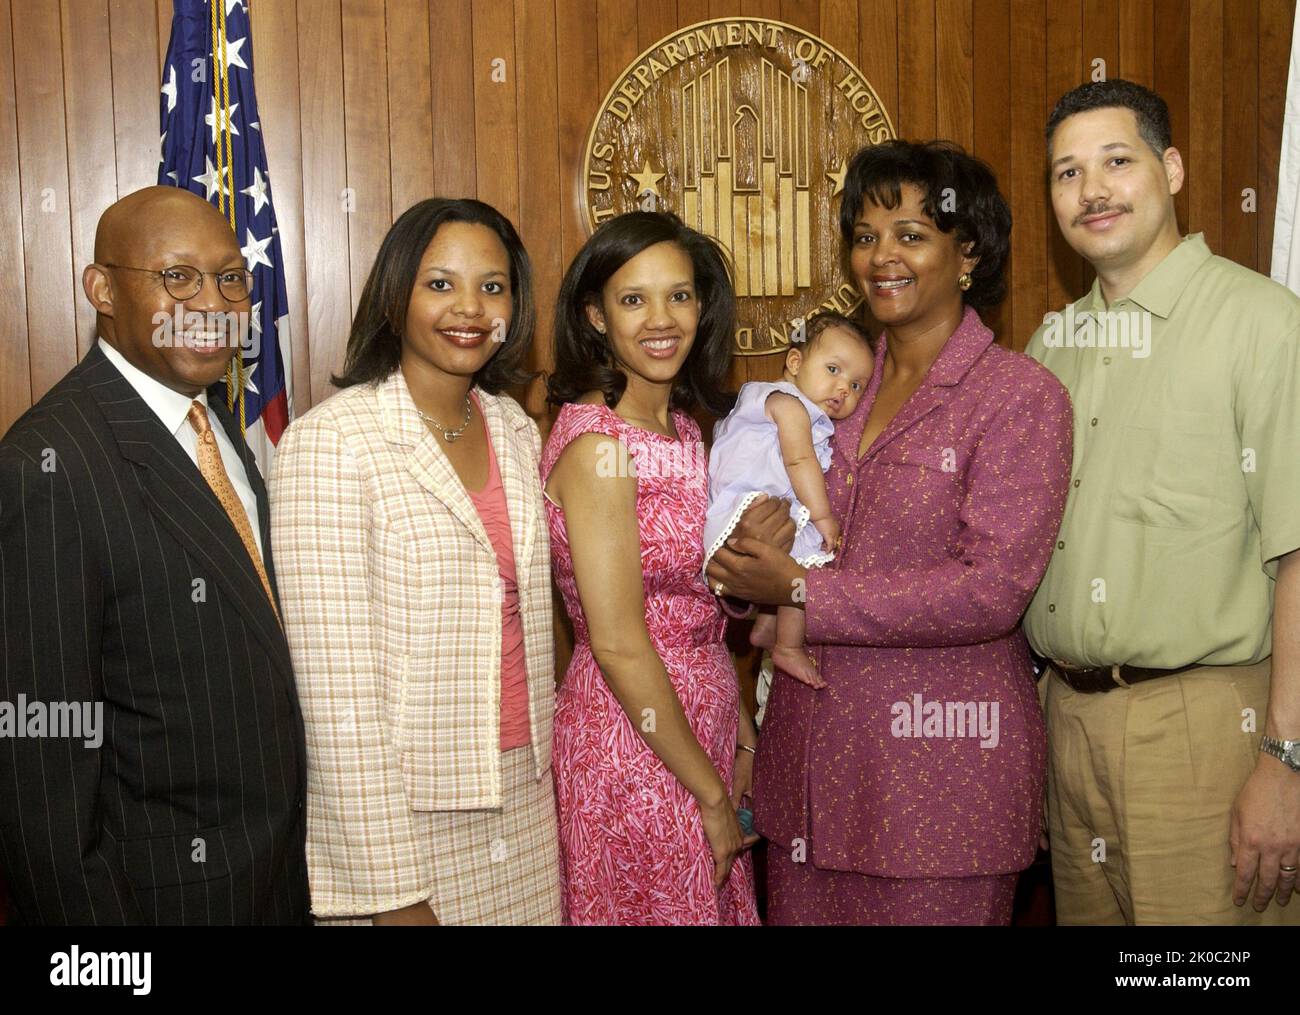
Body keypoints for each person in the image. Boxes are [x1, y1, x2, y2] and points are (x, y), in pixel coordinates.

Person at [707, 141, 1073, 925]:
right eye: (866, 235)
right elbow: (762, 522)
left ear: (967, 249)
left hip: (938, 789)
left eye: (911, 234)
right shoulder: (833, 386)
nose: (883, 257)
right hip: (808, 781)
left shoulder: (1017, 395)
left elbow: (991, 590)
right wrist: (746, 566)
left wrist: (801, 589)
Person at [1024, 79, 1300, 925]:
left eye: (1116, 161)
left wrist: (1286, 760)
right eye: (1067, 174)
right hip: (1065, 726)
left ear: (1171, 168)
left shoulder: (1262, 323)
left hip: (1206, 733)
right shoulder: (1049, 345)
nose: (1092, 190)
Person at [0, 186, 309, 924]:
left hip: (273, 879)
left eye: (231, 277)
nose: (213, 302)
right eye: (178, 277)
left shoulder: (215, 425)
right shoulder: (50, 462)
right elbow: (40, 755)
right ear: (101, 289)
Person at [269, 198, 561, 925]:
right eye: (440, 284)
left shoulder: (516, 428)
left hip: (524, 798)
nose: (469, 306)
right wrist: (391, 892)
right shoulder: (330, 443)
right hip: (405, 816)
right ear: (395, 296)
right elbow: (336, 698)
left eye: (493, 286)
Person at [541, 210, 785, 925]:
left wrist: (740, 733)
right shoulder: (600, 444)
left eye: (679, 295)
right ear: (594, 316)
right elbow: (619, 640)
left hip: (698, 723)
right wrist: (710, 795)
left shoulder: (681, 424)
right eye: (633, 298)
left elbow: (694, 616)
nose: (662, 318)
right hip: (632, 742)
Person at [703, 313, 875, 692]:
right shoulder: (791, 406)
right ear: (795, 362)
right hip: (754, 504)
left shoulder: (765, 397)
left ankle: (768, 625)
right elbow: (799, 461)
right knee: (806, 562)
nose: (843, 388)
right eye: (833, 369)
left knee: (788, 569)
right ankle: (788, 646)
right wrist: (823, 516)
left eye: (857, 384)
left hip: (738, 505)